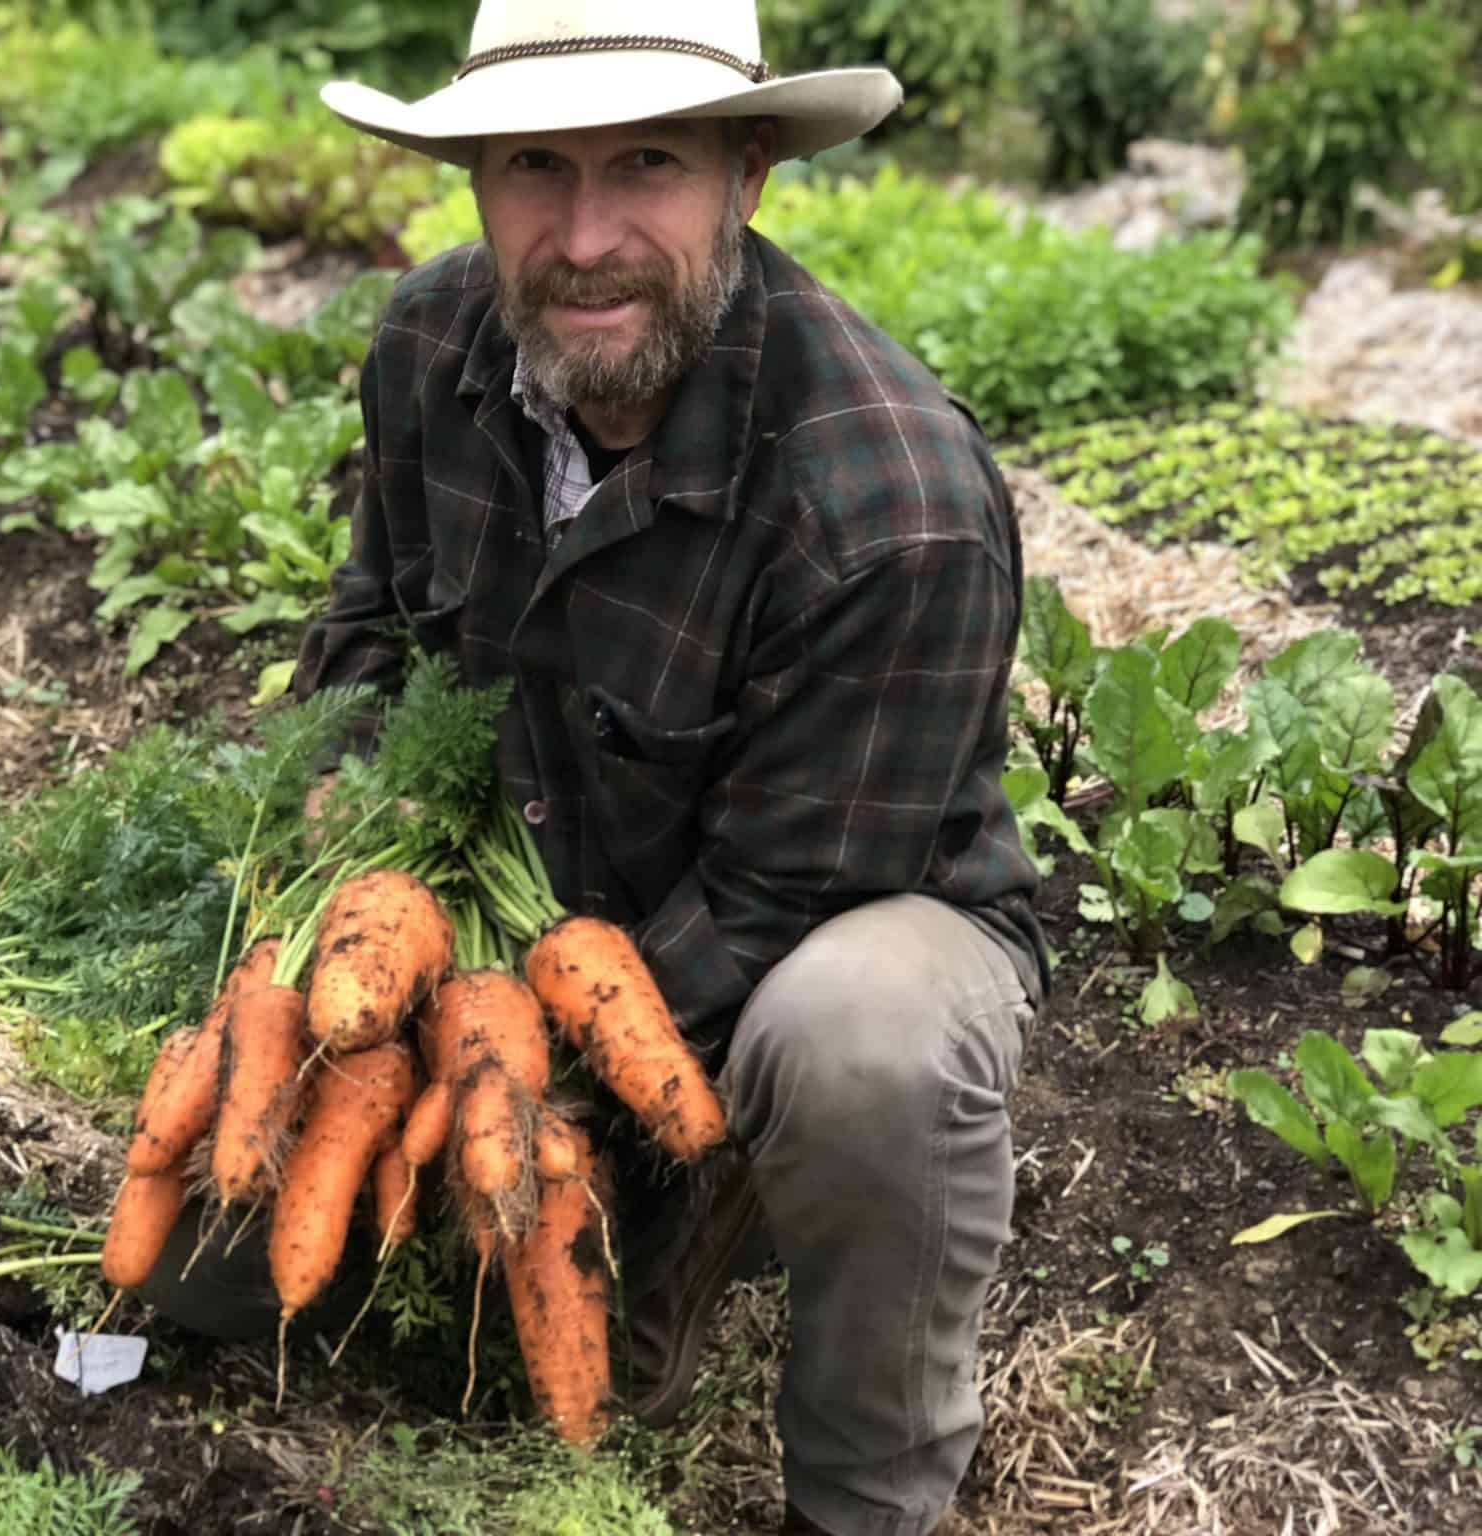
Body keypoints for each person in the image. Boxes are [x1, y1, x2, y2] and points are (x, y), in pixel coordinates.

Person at [157, 4, 1047, 1533]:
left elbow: (773, 904)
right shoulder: (432, 343)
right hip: (516, 924)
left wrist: (509, 1076)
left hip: (806, 933)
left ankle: (860, 1487)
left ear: (746, 173)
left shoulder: (889, 500)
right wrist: (351, 852)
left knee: (863, 1051)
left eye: (645, 164)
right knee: (213, 1272)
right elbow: (370, 640)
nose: (584, 236)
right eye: (532, 167)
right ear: (477, 180)